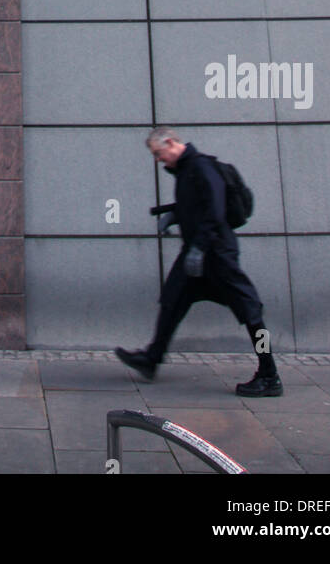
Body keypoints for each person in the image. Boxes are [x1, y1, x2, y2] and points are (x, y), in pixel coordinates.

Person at [115, 126, 282, 397]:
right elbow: (197, 206)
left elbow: (215, 212)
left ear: (170, 142)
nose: (159, 161)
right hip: (197, 254)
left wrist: (199, 250)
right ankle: (151, 358)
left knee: (251, 314)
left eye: (159, 154)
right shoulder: (186, 171)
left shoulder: (201, 167)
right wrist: (175, 215)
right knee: (172, 301)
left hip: (217, 255)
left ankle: (269, 374)